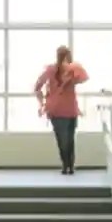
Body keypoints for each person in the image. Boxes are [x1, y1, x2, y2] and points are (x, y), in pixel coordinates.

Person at [34, 45, 89, 174]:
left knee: (62, 138)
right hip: (70, 109)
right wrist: (75, 66)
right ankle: (70, 166)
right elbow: (84, 78)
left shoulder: (51, 70)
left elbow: (37, 87)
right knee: (70, 138)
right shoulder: (72, 70)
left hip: (55, 109)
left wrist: (42, 104)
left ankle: (66, 165)